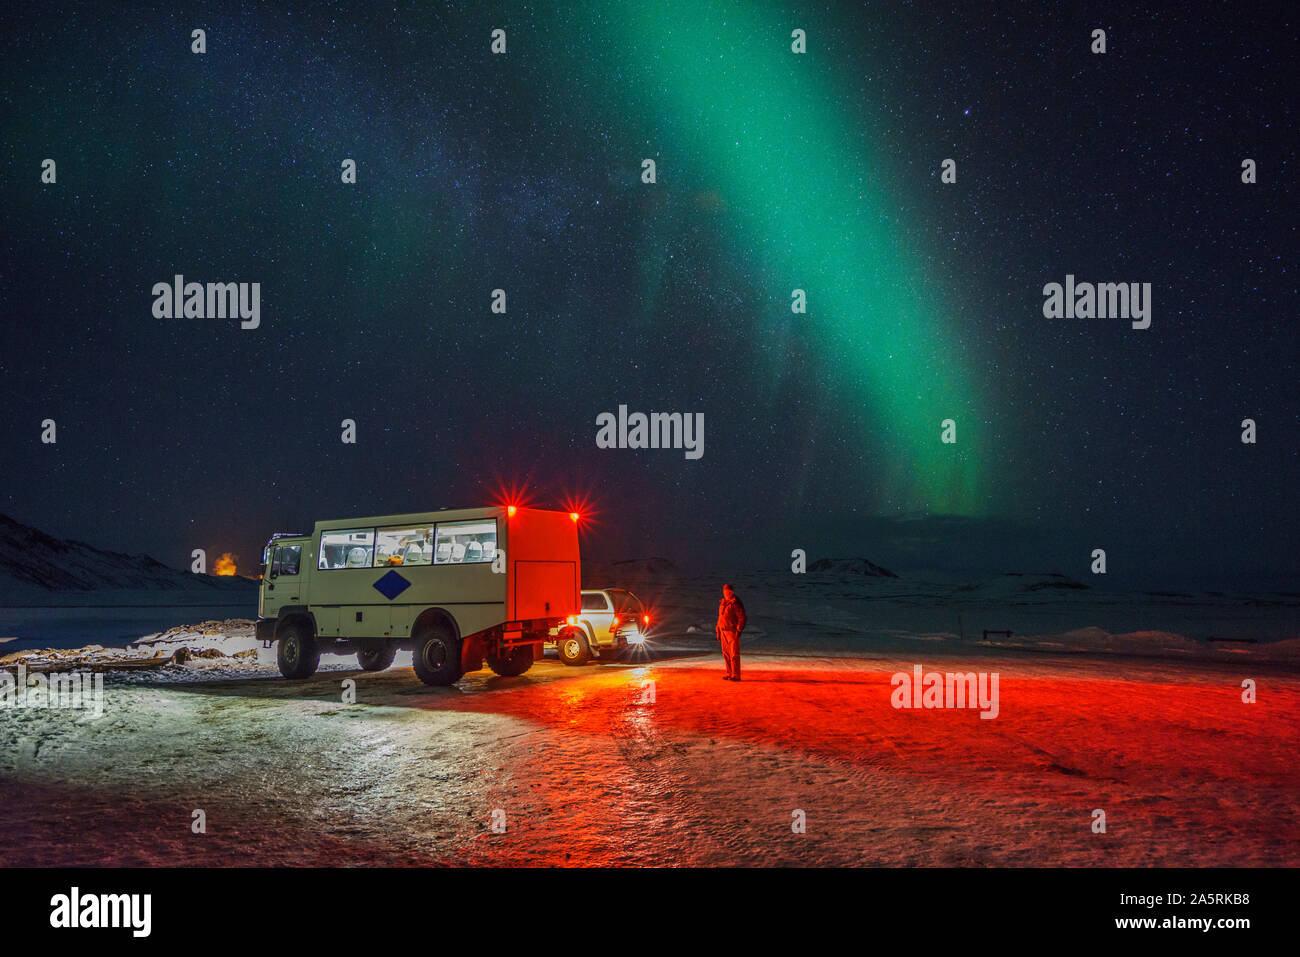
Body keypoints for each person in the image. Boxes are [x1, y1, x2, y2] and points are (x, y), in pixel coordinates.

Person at [715, 583, 747, 681]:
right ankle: (729, 673)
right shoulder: (723, 602)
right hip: (723, 631)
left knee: (734, 654)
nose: (727, 593)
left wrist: (739, 629)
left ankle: (736, 675)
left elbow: (742, 617)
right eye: (725, 591)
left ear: (732, 592)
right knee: (726, 654)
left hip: (732, 632)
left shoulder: (735, 603)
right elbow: (720, 617)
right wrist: (718, 629)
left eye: (729, 591)